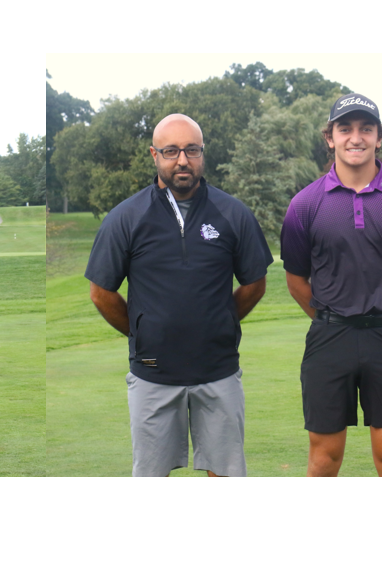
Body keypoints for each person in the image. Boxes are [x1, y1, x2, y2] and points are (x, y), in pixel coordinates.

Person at [84, 113, 272, 477]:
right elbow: (101, 292)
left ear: (203, 154)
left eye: (191, 150)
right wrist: (143, 332)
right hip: (153, 374)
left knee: (227, 475)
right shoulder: (126, 218)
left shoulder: (233, 214)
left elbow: (254, 284)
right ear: (154, 155)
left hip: (217, 371)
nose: (182, 160)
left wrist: (220, 321)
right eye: (171, 151)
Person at [281, 93, 382, 477]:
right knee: (324, 459)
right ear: (330, 138)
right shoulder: (304, 205)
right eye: (345, 129)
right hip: (328, 339)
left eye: (366, 129)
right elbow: (296, 279)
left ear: (379, 137)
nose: (356, 138)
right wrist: (332, 315)